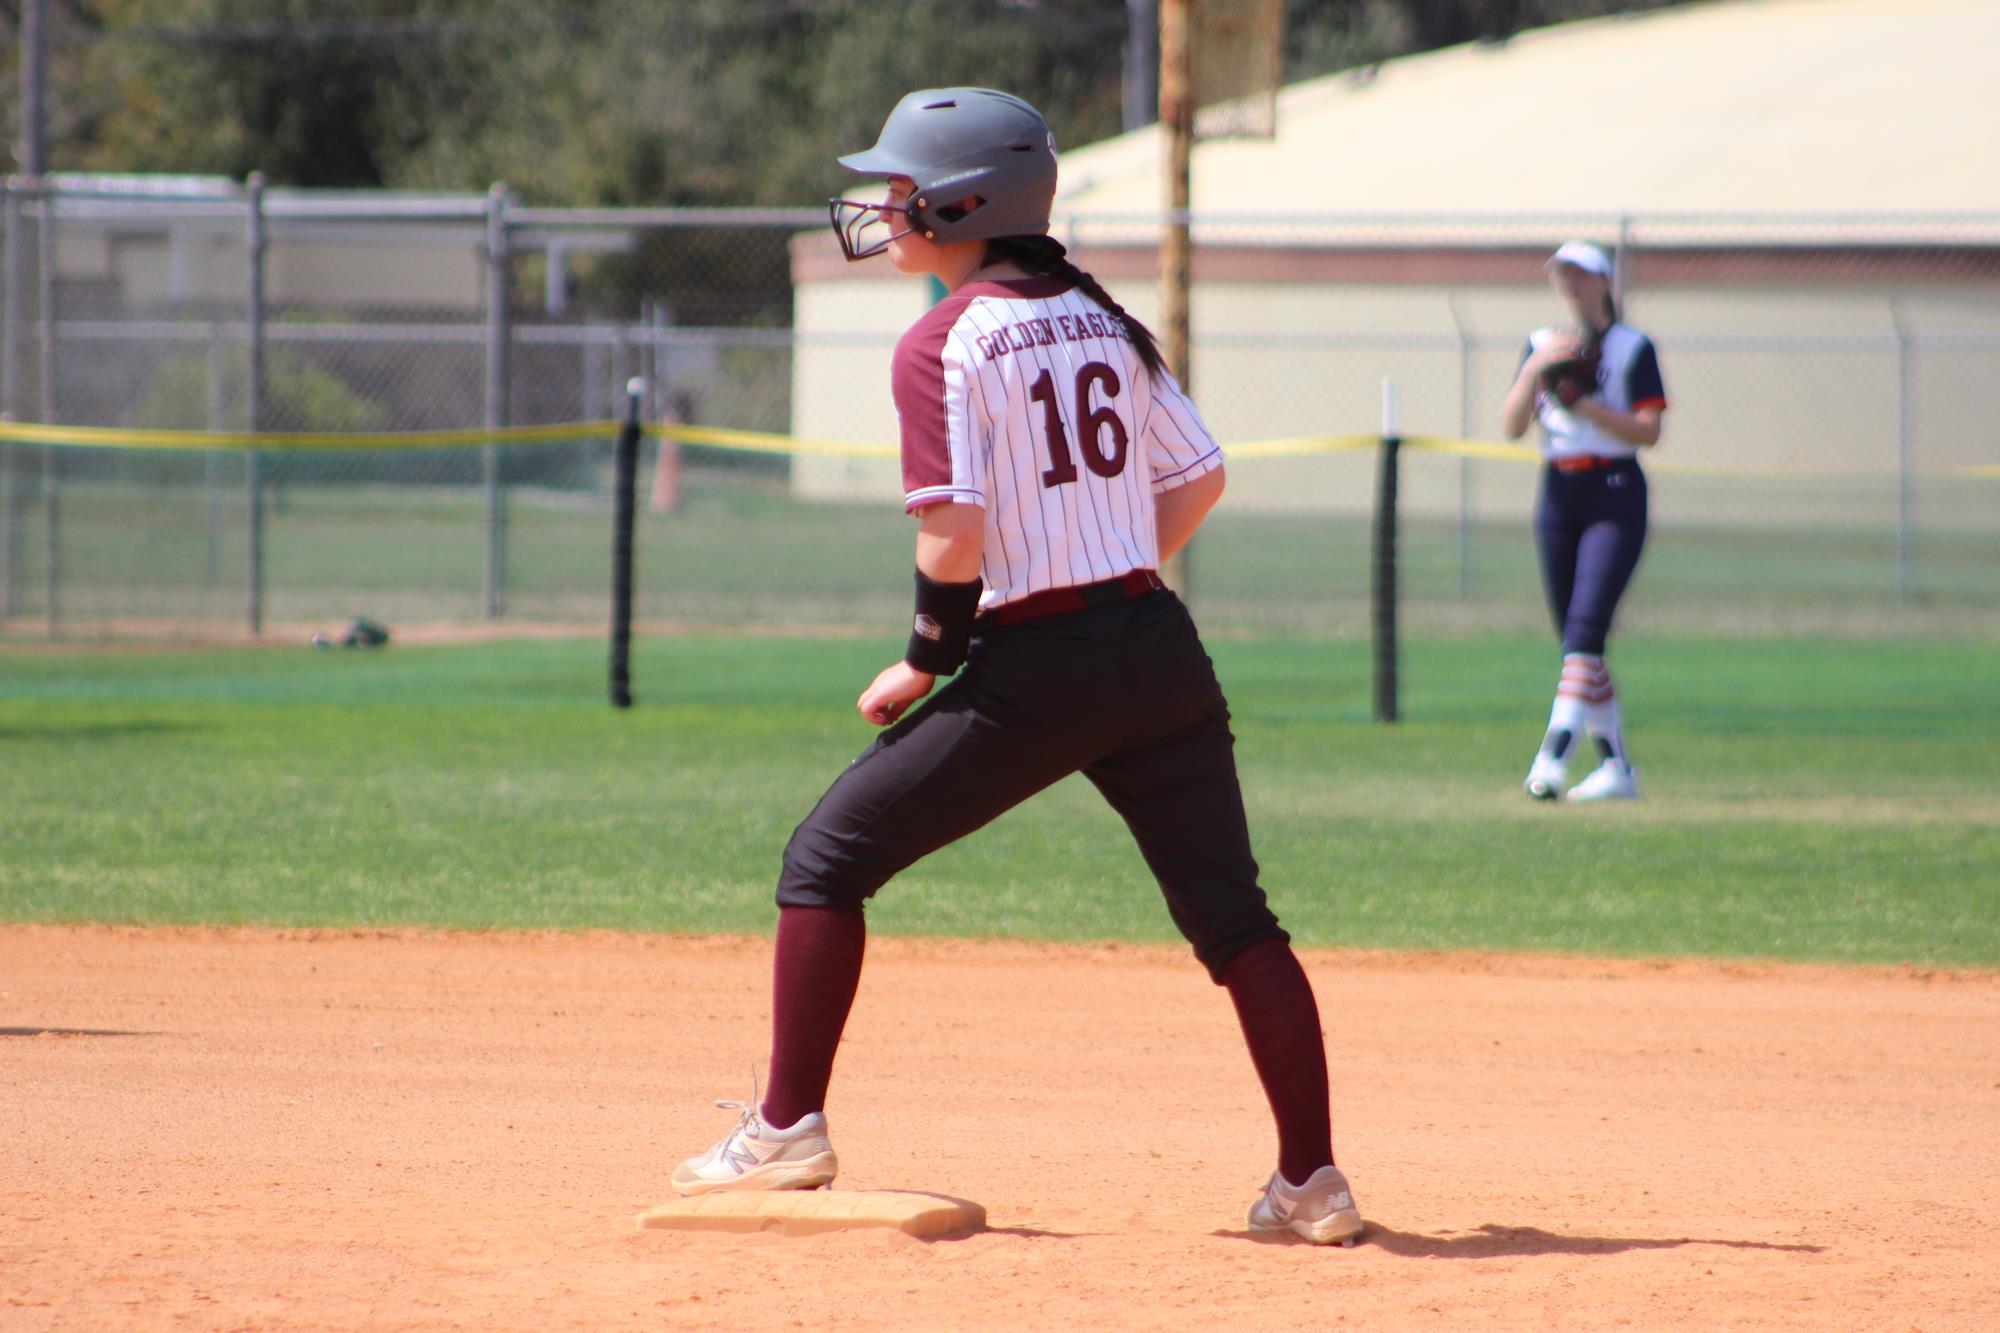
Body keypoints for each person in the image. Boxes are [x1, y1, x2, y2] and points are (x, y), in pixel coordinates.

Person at [670, 88, 1363, 1245]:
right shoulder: (1098, 314)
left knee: (824, 859)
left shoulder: (941, 340)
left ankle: (787, 1129)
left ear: (962, 203)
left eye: (902, 188)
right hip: (1155, 652)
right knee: (1239, 925)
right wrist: (1106, 567)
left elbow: (950, 537)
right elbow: (1197, 477)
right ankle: (1312, 1183)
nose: (884, 206)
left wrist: (923, 660)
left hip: (1038, 663)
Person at [1499, 240, 1668, 802]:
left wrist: (1586, 405)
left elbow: (1648, 430)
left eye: (1580, 274)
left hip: (1614, 491)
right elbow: (1512, 425)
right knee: (1578, 641)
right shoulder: (1541, 343)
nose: (1569, 284)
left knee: (1585, 632)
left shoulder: (1632, 346)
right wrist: (1539, 369)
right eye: (1562, 274)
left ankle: (1552, 758)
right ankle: (1618, 769)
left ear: (1603, 282)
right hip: (1558, 492)